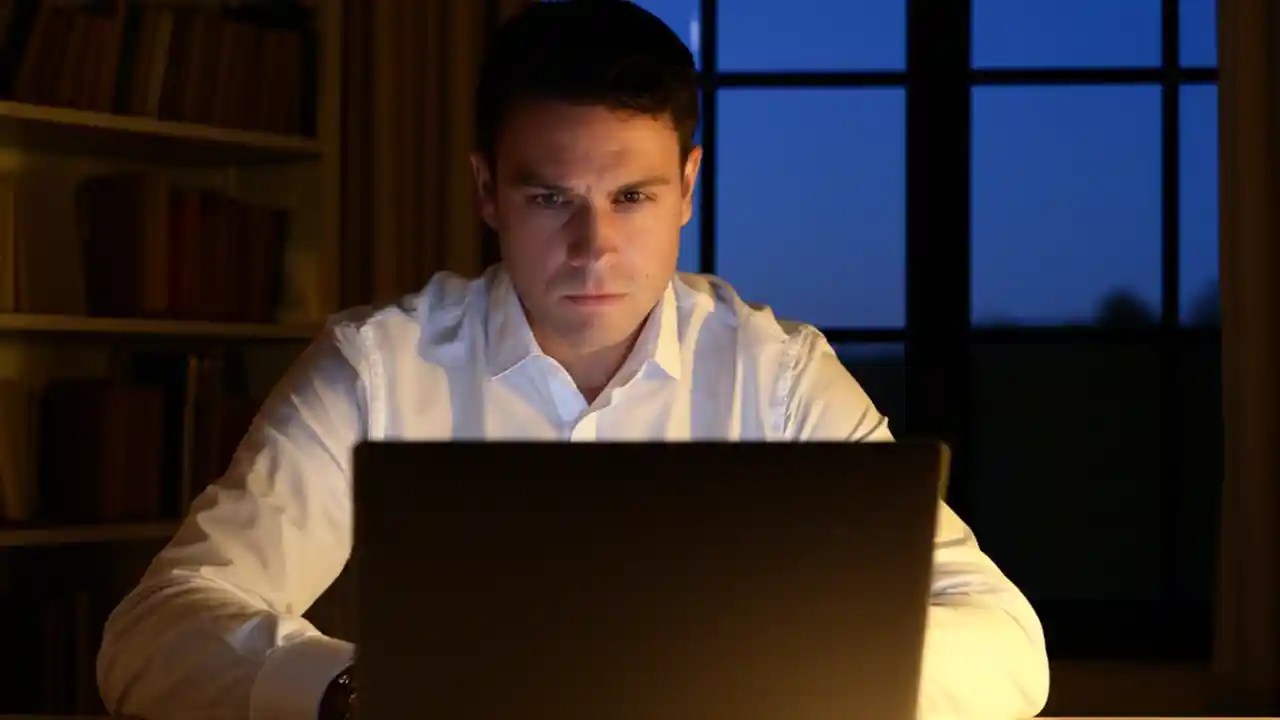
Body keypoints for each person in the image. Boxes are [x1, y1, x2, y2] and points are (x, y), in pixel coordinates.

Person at [97, 2, 1050, 718]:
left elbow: (1006, 637)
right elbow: (156, 631)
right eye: (552, 199)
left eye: (631, 197)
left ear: (687, 186)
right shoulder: (378, 364)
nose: (593, 247)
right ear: (486, 190)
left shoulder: (779, 374)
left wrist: (803, 690)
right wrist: (355, 692)